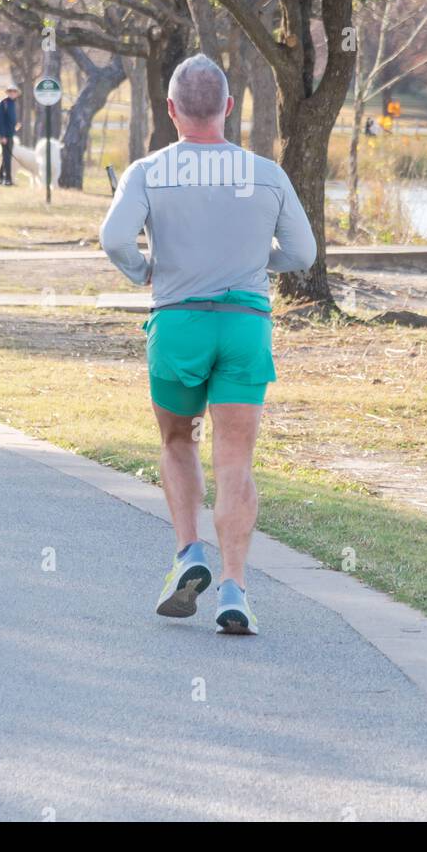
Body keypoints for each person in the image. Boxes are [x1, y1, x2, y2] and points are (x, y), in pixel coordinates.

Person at [100, 54, 315, 635]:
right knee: (236, 460)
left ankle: (188, 551)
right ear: (228, 107)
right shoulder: (267, 173)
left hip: (178, 323)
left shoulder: (148, 170)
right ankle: (235, 588)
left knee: (177, 439)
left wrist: (143, 270)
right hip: (245, 324)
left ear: (170, 110)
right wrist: (254, 262)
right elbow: (302, 256)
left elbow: (113, 237)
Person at [0, 85, 20, 186]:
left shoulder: (13, 103)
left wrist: (16, 125)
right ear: (8, 92)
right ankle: (8, 180)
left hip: (10, 134)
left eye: (14, 91)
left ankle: (0, 178)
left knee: (6, 157)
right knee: (7, 157)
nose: (13, 93)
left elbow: (10, 119)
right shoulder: (3, 103)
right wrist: (2, 136)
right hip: (5, 135)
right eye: (10, 91)